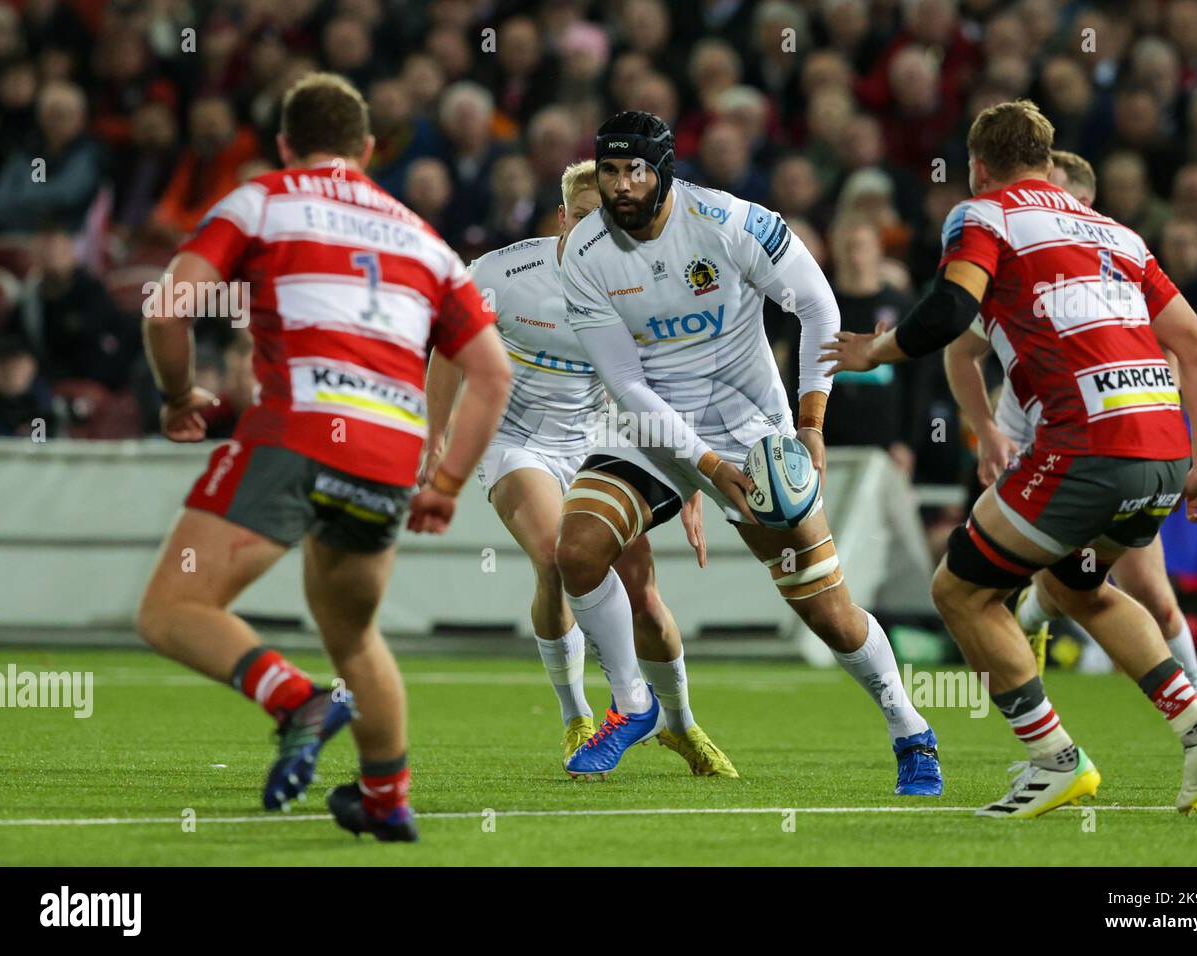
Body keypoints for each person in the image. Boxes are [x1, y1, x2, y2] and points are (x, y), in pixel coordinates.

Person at [822, 100, 1197, 818]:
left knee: (960, 591)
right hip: (1165, 450)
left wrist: (877, 348)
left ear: (978, 166)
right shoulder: (1118, 232)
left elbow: (951, 314)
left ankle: (1054, 759)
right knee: (1080, 585)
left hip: (1088, 446)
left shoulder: (982, 215)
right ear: (1050, 163)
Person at [136, 73, 511, 843]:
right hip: (389, 451)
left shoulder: (262, 198)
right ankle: (386, 800)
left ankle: (296, 700)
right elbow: (492, 374)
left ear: (283, 145)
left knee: (173, 609)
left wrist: (178, 396)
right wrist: (444, 484)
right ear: (369, 150)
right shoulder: (425, 240)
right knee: (354, 636)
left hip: (302, 427)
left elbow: (170, 307)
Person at [555, 111, 942, 794]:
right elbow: (625, 382)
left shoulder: (730, 221)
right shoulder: (583, 253)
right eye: (610, 170)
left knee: (826, 610)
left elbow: (819, 307)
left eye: (635, 169)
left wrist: (811, 422)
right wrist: (702, 468)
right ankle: (635, 704)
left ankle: (910, 729)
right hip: (655, 429)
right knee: (578, 548)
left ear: (664, 168)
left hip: (751, 428)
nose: (620, 185)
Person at [424, 159, 737, 776]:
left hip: (603, 441)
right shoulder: (502, 273)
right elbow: (449, 349)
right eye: (590, 221)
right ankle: (589, 713)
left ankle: (682, 726)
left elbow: (665, 389)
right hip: (516, 441)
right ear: (562, 218)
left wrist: (690, 486)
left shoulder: (642, 286)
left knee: (644, 593)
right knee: (554, 557)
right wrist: (434, 435)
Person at [942, 149, 1197, 704]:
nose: (1038, 204)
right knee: (1066, 583)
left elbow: (1183, 352)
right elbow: (960, 349)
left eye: (1053, 192)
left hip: (1113, 445)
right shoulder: (1019, 265)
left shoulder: (1115, 263)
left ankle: (1190, 717)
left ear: (1081, 204)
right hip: (1043, 446)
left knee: (1142, 592)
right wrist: (987, 429)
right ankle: (1195, 729)